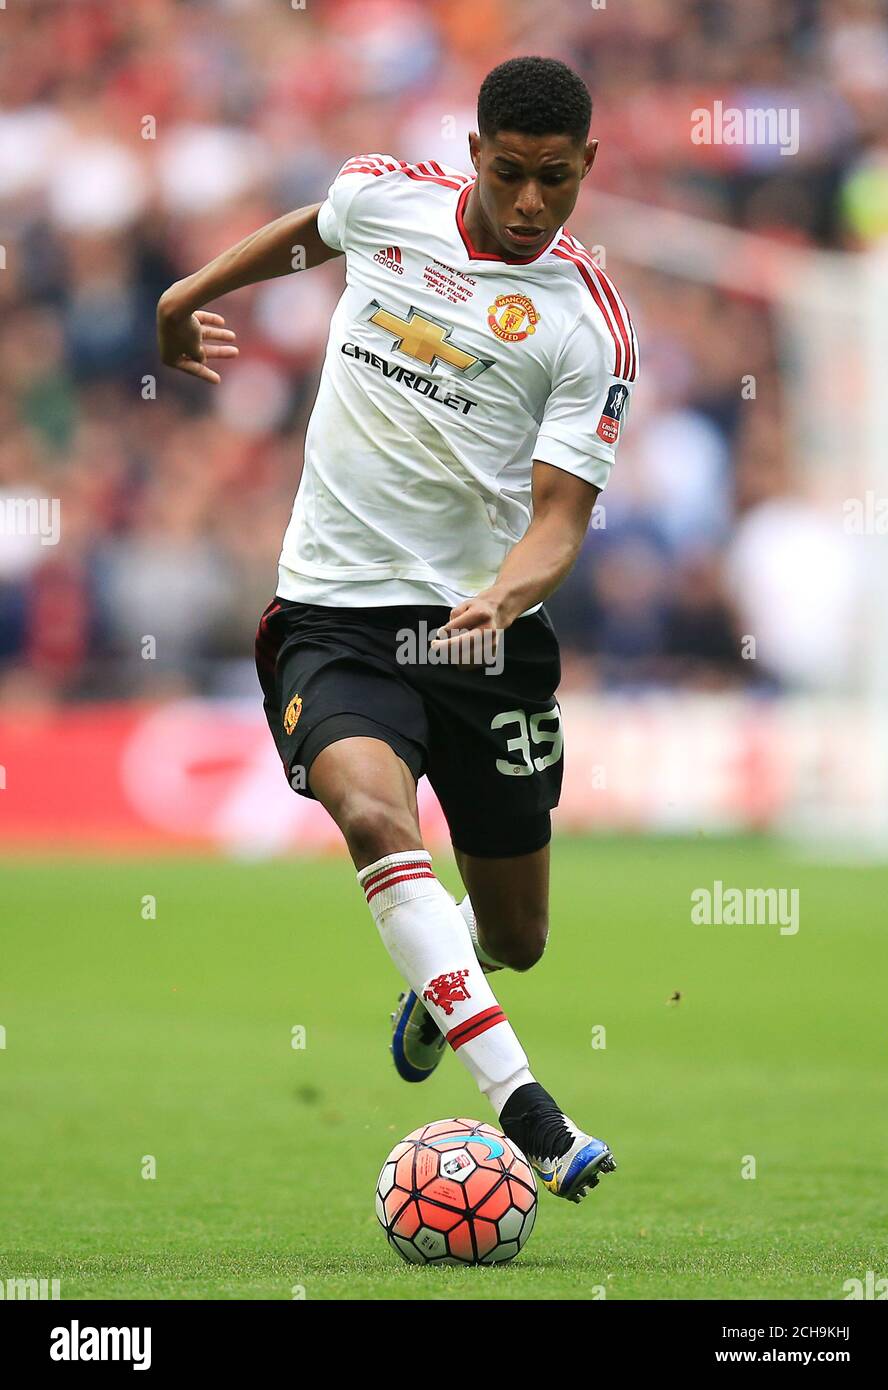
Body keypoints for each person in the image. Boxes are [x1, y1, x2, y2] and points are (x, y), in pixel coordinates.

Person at [157, 56, 638, 1202]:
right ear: (474, 153)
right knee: (373, 810)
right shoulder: (388, 197)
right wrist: (188, 296)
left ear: (589, 170)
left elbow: (563, 515)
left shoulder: (589, 326)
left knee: (517, 935)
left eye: (557, 183)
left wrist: (509, 595)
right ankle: (529, 1107)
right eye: (513, 175)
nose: (532, 204)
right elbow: (313, 230)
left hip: (482, 633)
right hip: (335, 610)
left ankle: (440, 984)